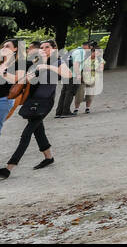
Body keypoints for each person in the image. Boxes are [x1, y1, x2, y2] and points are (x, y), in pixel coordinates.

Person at [1, 39, 72, 178]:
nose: (44, 49)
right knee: (39, 131)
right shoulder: (36, 63)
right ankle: (48, 158)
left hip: (45, 103)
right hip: (33, 102)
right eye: (42, 47)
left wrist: (47, 67)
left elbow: (68, 74)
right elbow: (27, 80)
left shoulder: (58, 62)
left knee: (26, 134)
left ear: (54, 49)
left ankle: (9, 168)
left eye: (47, 47)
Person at [54, 42, 87, 118]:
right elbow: (76, 64)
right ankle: (66, 112)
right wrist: (78, 74)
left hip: (66, 74)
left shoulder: (73, 50)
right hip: (73, 76)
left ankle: (59, 112)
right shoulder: (81, 52)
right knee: (70, 93)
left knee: (64, 93)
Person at [74, 42, 102, 114]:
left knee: (90, 95)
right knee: (79, 94)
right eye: (96, 53)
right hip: (82, 78)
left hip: (92, 79)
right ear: (92, 52)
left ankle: (87, 108)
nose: (97, 54)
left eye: (99, 53)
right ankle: (76, 109)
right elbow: (80, 67)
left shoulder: (99, 60)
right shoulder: (85, 58)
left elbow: (101, 69)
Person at [0, 40, 19, 139]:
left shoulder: (17, 63)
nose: (3, 48)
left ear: (15, 49)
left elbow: (16, 79)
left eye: (7, 46)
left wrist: (2, 72)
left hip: (4, 100)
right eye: (3, 46)